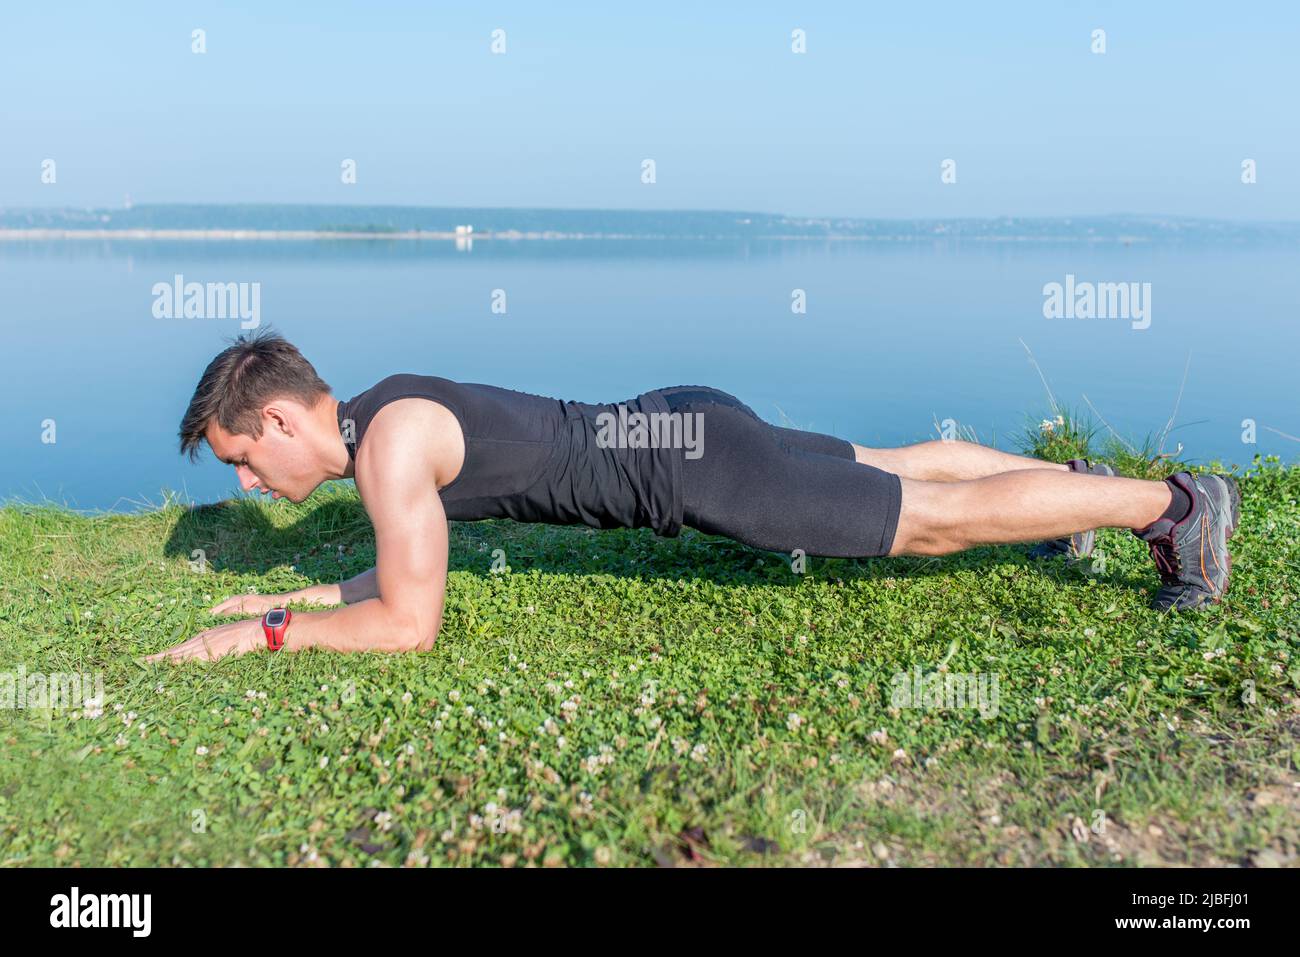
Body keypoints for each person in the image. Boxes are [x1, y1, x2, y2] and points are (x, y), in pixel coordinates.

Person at [148, 329, 1239, 662]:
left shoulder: (387, 448)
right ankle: (1077, 492)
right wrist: (295, 597)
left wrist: (273, 635)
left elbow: (410, 621)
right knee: (890, 463)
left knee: (922, 524)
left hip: (693, 466)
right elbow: (399, 561)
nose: (251, 481)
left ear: (284, 419)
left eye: (243, 458)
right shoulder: (386, 409)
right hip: (682, 416)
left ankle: (1171, 511)